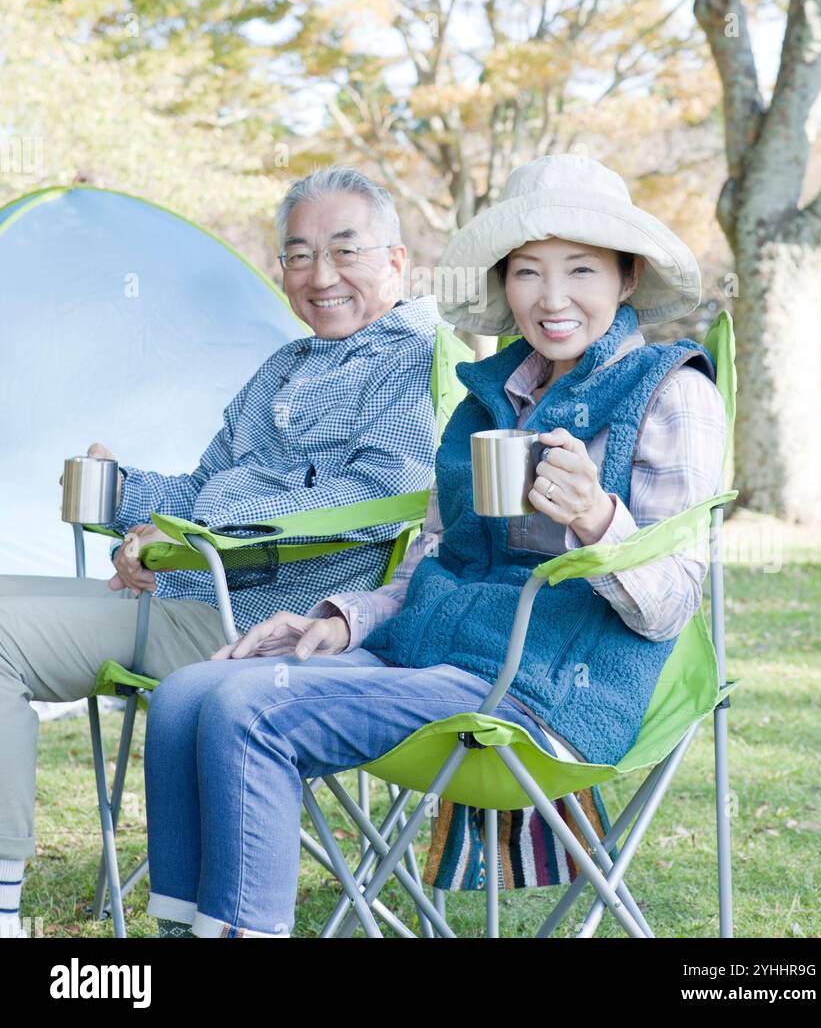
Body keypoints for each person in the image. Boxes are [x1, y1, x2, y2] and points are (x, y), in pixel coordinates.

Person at [141, 152, 727, 938]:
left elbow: (672, 603)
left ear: (626, 278)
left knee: (251, 712)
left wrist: (597, 519)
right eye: (527, 273)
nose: (551, 300)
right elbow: (434, 559)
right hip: (426, 657)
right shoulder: (483, 402)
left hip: (544, 691)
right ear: (504, 283)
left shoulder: (673, 393)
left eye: (580, 270)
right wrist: (343, 618)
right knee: (186, 696)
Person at [0, 166, 440, 940]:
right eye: (297, 256)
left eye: (344, 250)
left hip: (263, 626)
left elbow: (380, 498)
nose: (319, 275)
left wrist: (188, 541)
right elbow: (208, 483)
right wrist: (127, 494)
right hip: (191, 596)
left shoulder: (410, 359)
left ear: (397, 263)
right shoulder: (287, 364)